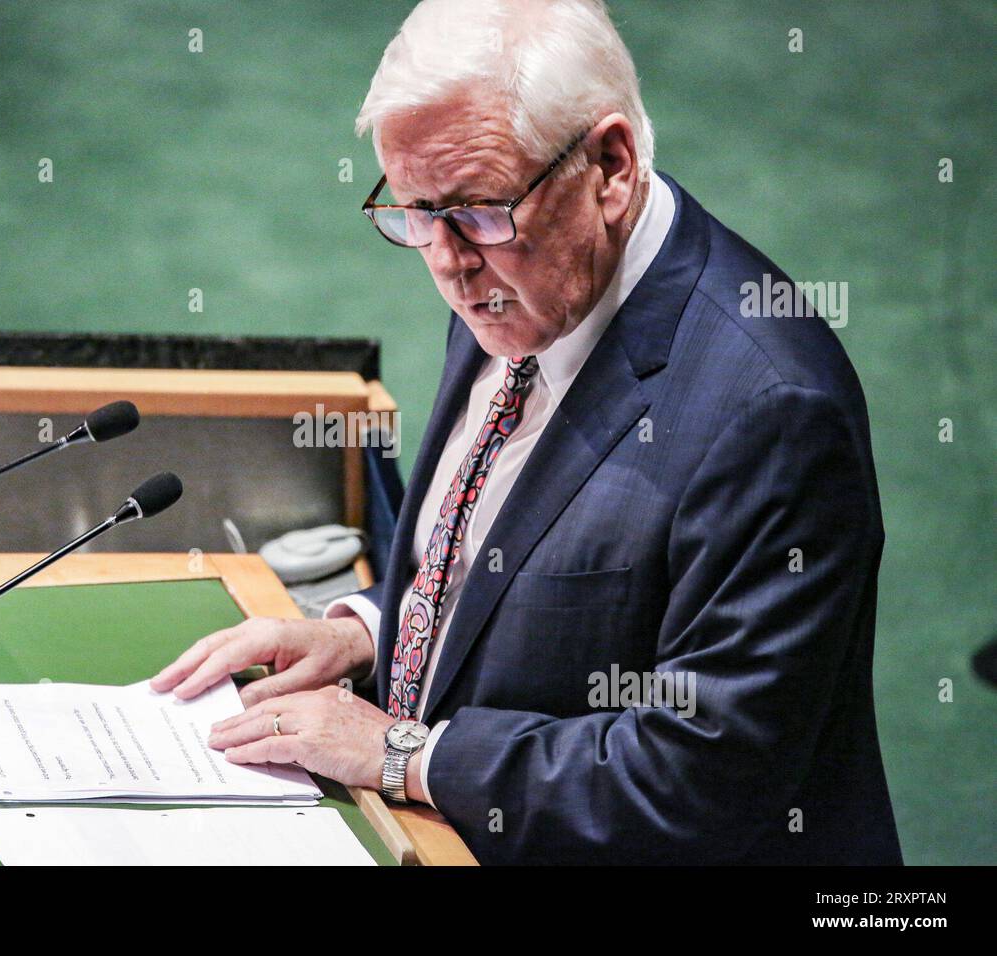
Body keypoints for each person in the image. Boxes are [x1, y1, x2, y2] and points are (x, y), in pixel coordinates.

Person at [152, 0, 901, 864]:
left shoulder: (772, 413)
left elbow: (701, 774)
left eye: (473, 209)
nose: (445, 259)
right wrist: (369, 633)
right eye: (413, 210)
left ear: (610, 167)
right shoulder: (514, 274)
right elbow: (505, 551)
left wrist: (403, 754)